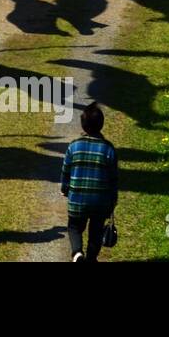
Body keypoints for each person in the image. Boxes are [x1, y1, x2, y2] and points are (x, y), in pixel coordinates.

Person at [60, 102, 119, 262]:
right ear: (101, 124)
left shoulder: (74, 146)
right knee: (96, 231)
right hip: (100, 201)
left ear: (83, 126)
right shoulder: (108, 149)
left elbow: (66, 171)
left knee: (74, 227)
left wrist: (65, 188)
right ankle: (91, 258)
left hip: (77, 200)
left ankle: (77, 254)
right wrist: (113, 199)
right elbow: (113, 178)